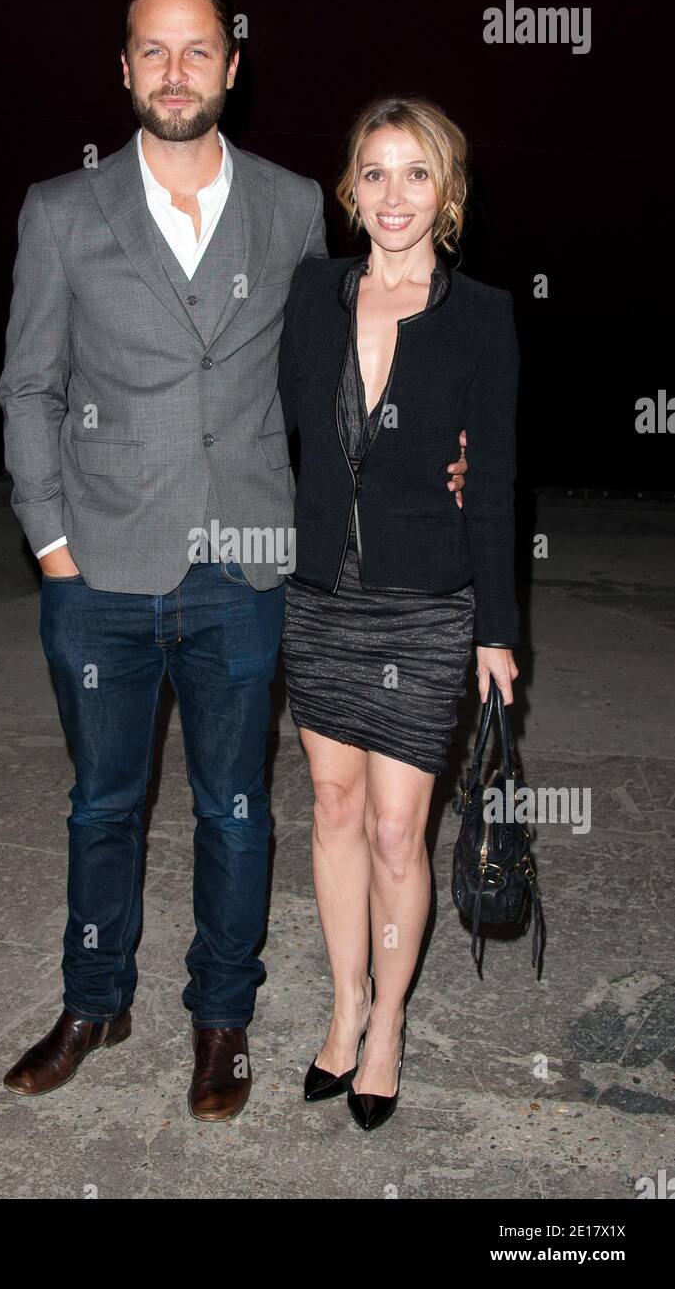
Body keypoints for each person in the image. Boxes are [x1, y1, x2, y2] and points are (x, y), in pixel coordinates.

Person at [0, 0, 468, 1121]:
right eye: (152, 52)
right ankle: (92, 996)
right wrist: (53, 550)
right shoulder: (62, 212)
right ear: (125, 69)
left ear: (230, 67)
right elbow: (28, 388)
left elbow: (336, 370)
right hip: (99, 570)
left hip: (250, 572)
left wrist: (435, 454)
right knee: (102, 806)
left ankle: (223, 1020)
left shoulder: (292, 203)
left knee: (236, 810)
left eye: (196, 51)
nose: (174, 72)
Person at [278, 96, 520, 1131]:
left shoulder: (482, 314)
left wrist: (497, 631)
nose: (392, 193)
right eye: (373, 171)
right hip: (321, 598)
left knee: (392, 829)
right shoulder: (309, 293)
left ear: (446, 191)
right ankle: (343, 1009)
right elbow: (271, 431)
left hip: (425, 607)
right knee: (330, 812)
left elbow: (497, 480)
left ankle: (387, 1031)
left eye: (414, 172)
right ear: (349, 189)